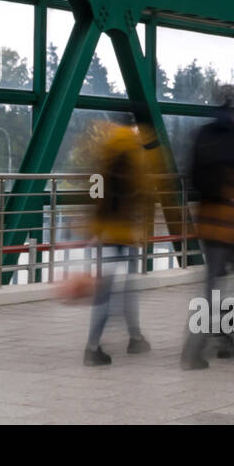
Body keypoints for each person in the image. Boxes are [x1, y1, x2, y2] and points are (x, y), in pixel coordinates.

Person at [181, 86, 234, 370]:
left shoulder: (202, 135)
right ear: (233, 113)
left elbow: (190, 177)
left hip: (206, 220)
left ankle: (226, 338)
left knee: (220, 282)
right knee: (218, 286)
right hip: (230, 223)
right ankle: (194, 348)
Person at [83, 119, 155, 367]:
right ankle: (134, 338)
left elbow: (95, 190)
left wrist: (94, 226)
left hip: (106, 233)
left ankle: (94, 345)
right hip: (128, 231)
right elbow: (145, 191)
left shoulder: (106, 149)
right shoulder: (137, 150)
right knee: (129, 287)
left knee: (104, 291)